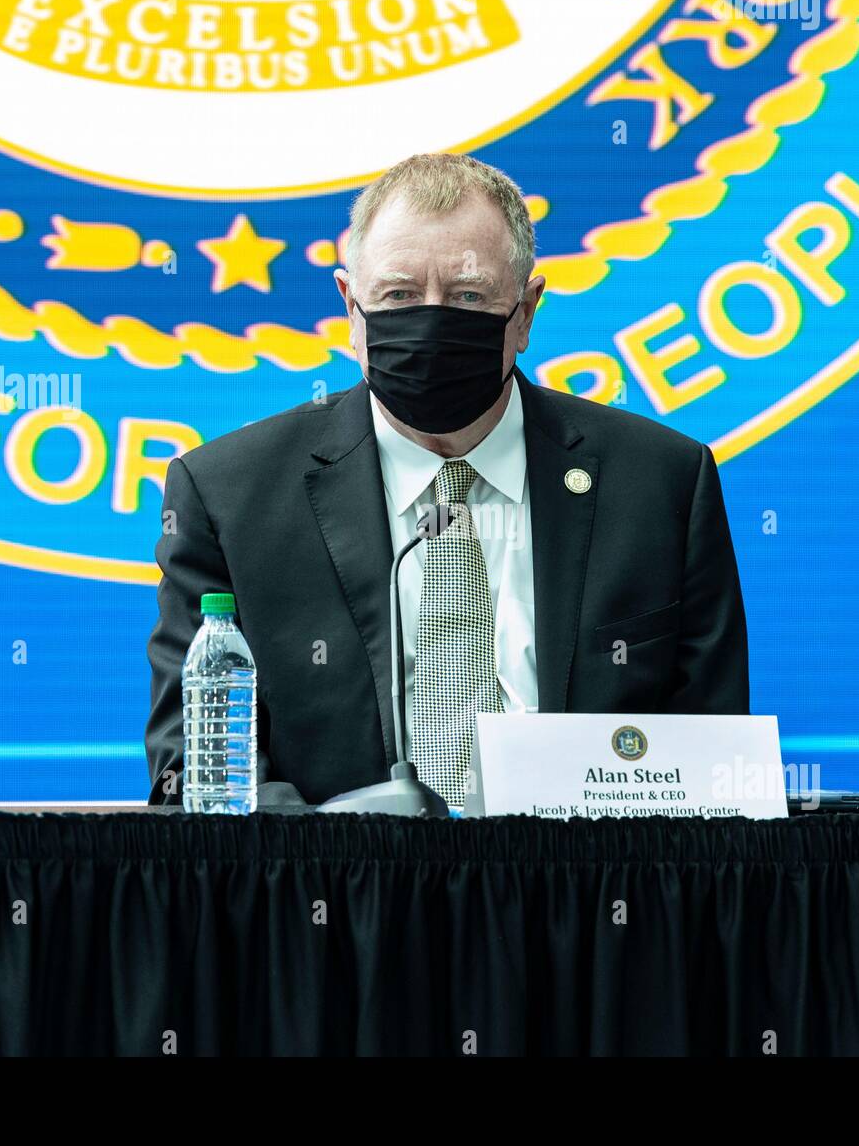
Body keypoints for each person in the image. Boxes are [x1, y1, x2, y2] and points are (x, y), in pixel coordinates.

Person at [146, 152, 748, 807]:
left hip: (590, 896)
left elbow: (714, 774)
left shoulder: (659, 484)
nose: (431, 322)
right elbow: (200, 780)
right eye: (399, 295)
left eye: (467, 297)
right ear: (351, 307)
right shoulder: (228, 497)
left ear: (524, 313)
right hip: (335, 898)